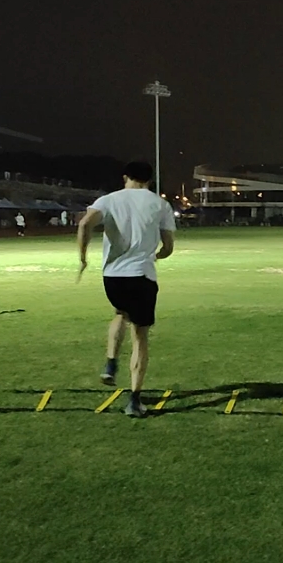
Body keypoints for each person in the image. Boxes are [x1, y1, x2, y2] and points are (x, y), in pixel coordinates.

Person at [76, 161, 176, 417]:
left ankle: (110, 362)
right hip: (142, 276)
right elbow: (168, 247)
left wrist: (83, 258)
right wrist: (156, 256)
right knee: (140, 337)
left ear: (125, 177)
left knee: (121, 312)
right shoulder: (160, 204)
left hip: (113, 276)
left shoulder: (108, 200)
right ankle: (134, 399)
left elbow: (84, 224)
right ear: (150, 181)